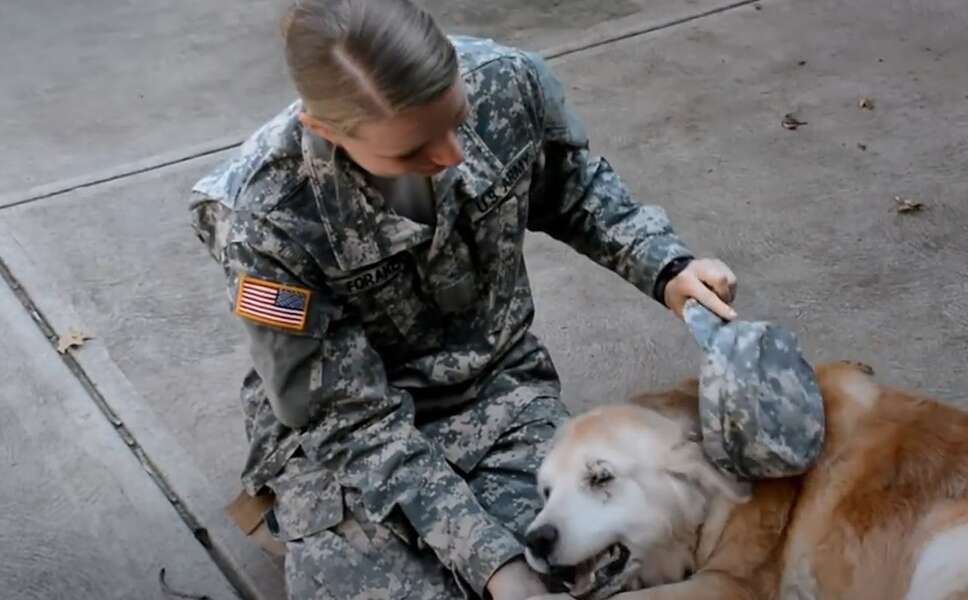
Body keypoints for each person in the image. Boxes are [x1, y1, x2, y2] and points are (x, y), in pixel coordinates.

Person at [188, 1, 821, 598]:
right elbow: (346, 420)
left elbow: (572, 188)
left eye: (456, 118)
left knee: (598, 563)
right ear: (324, 130)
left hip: (500, 395)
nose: (452, 155)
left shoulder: (503, 81)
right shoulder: (264, 218)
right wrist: (496, 566)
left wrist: (669, 267)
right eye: (412, 151)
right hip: (350, 445)